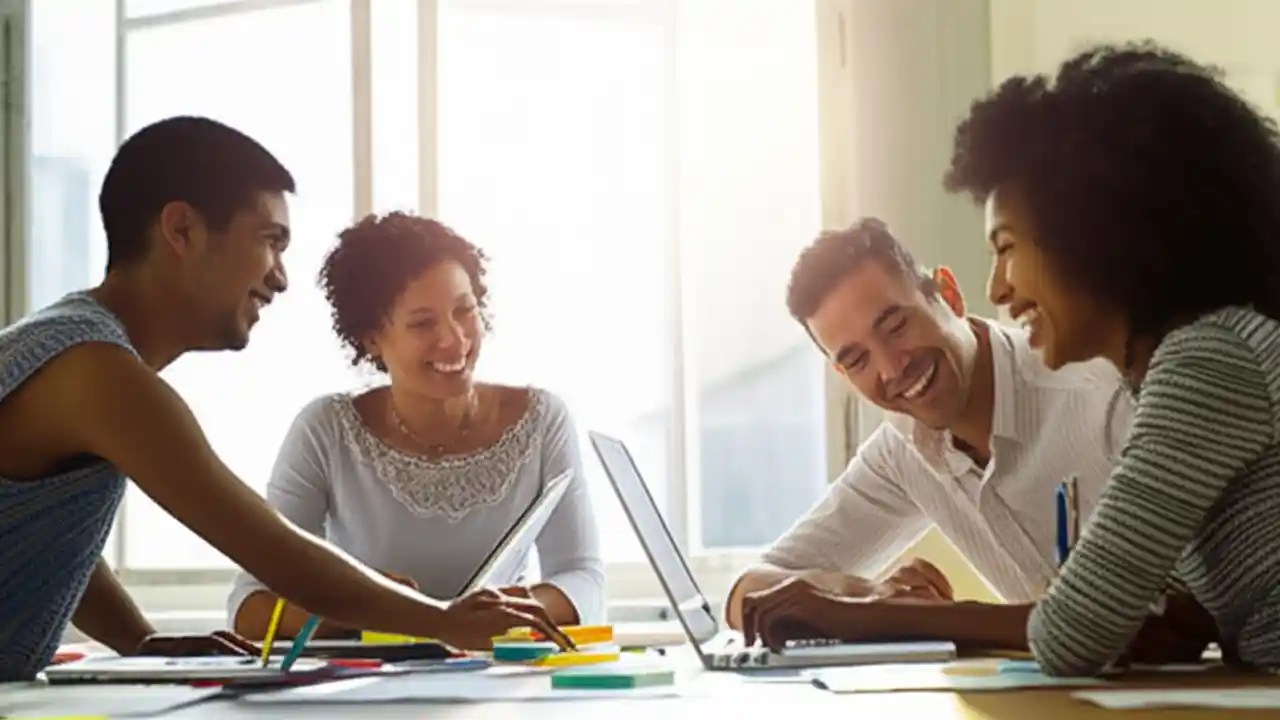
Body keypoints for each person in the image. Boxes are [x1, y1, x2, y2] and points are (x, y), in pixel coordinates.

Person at [742, 41, 1280, 676]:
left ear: (1090, 240)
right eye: (856, 357)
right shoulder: (1182, 366)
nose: (997, 289)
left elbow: (1072, 632)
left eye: (1007, 248)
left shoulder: (1206, 363)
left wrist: (859, 617)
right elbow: (1150, 618)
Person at [0, 116, 566, 682]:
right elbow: (273, 553)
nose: (281, 278)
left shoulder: (71, 349)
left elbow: (49, 540)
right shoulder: (97, 373)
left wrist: (139, 641)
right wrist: (443, 620)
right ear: (182, 230)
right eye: (270, 242)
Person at [725, 216, 1133, 631]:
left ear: (949, 296)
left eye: (896, 326)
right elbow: (746, 597)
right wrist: (862, 593)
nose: (892, 368)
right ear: (843, 375)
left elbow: (1141, 622)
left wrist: (924, 618)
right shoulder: (901, 452)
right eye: (858, 359)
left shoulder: (1101, 393)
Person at [229, 212, 604, 639]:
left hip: (501, 669)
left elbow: (584, 579)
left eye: (464, 310)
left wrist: (506, 610)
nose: (455, 340)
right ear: (371, 337)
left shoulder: (543, 419)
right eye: (423, 323)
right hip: (367, 677)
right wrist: (379, 611)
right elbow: (249, 606)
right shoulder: (325, 431)